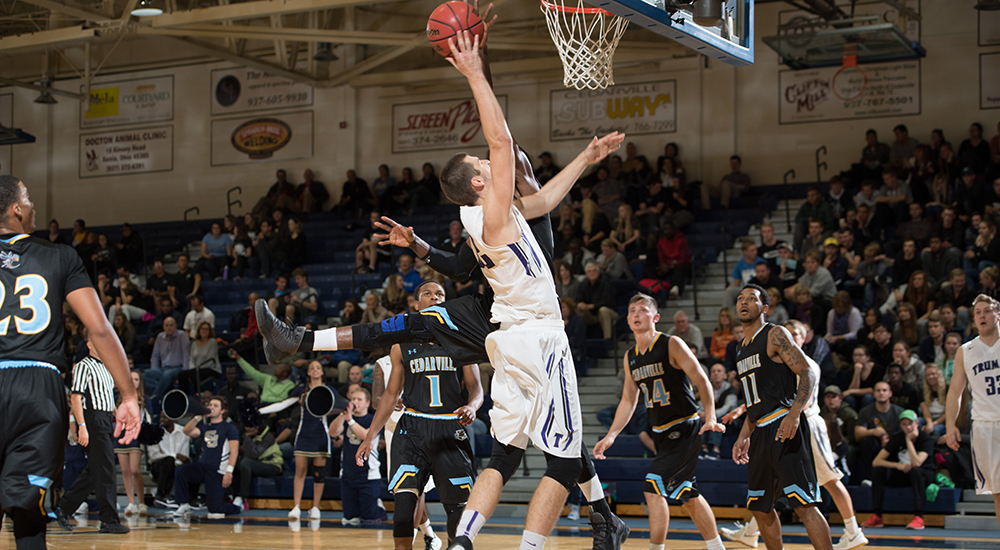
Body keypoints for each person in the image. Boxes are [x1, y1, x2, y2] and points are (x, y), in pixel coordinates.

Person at [0, 176, 141, 549]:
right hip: (36, 387)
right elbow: (100, 330)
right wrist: (128, 395)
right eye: (28, 197)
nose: (33, 204)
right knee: (29, 519)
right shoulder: (59, 255)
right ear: (16, 209)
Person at [356, 280, 483, 549]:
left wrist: (472, 407)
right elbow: (390, 395)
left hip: (449, 430)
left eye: (440, 294)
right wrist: (370, 436)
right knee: (404, 511)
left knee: (457, 513)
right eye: (428, 293)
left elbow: (477, 389)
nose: (434, 297)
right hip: (412, 430)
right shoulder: (401, 344)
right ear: (417, 304)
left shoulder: (462, 339)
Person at [594, 293, 727, 550]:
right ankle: (717, 547)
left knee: (652, 487)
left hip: (684, 426)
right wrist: (611, 435)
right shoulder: (630, 357)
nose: (636, 314)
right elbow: (628, 400)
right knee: (687, 495)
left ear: (655, 317)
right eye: (632, 310)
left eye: (642, 310)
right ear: (627, 319)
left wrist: (710, 416)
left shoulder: (671, 344)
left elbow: (702, 380)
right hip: (661, 433)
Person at [723, 320, 868, 550]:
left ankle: (853, 530)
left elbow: (801, 398)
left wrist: (790, 414)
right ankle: (751, 531)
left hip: (804, 423)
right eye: (788, 332)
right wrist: (745, 410)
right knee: (765, 494)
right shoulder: (775, 361)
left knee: (828, 480)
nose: (790, 336)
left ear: (803, 337)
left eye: (795, 333)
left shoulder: (807, 364)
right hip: (777, 425)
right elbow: (766, 396)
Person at [729, 284, 833, 550]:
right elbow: (754, 399)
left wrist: (795, 413)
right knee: (759, 506)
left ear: (764, 307)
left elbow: (807, 371)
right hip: (760, 430)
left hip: (784, 424)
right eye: (740, 298)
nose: (744, 302)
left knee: (804, 504)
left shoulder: (775, 334)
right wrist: (743, 436)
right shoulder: (740, 348)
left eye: (751, 298)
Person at [55, 340, 131, 534]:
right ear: (89, 344)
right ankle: (108, 520)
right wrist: (81, 426)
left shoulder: (107, 367)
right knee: (106, 470)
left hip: (105, 418)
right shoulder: (83, 366)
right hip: (92, 418)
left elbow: (108, 397)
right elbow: (76, 397)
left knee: (95, 469)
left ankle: (63, 508)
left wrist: (118, 417)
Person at [946, 295, 1000, 525]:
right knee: (997, 492)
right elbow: (955, 392)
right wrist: (950, 424)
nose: (981, 316)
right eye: (977, 313)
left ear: (998, 315)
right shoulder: (966, 351)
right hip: (985, 427)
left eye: (986, 311)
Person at [861, 410, 936, 530]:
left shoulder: (926, 439)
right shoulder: (897, 437)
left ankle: (918, 517)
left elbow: (917, 463)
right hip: (902, 473)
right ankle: (877, 516)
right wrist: (897, 465)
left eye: (910, 423)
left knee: (915, 471)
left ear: (917, 423)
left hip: (923, 474)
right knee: (878, 471)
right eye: (904, 424)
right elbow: (876, 461)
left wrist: (908, 441)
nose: (908, 427)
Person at [171, 396, 241, 518]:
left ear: (222, 411)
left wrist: (229, 471)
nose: (211, 408)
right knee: (181, 471)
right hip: (203, 467)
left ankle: (237, 507)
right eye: (210, 405)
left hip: (217, 470)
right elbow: (187, 431)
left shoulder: (229, 428)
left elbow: (234, 451)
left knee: (215, 509)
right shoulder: (205, 427)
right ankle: (183, 504)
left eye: (215, 406)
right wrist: (198, 416)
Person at [287, 361, 340, 520]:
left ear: (322, 371)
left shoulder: (329, 390)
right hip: (304, 434)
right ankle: (296, 507)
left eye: (318, 367)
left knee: (318, 473)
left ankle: (316, 508)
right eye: (312, 368)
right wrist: (262, 410)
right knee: (300, 471)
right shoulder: (301, 390)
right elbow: (284, 403)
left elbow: (342, 406)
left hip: (321, 435)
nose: (315, 370)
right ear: (308, 372)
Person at [329, 388, 385, 525]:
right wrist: (343, 414)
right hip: (348, 473)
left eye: (359, 399)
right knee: (350, 518)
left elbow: (366, 436)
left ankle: (379, 507)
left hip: (368, 475)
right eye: (353, 399)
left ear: (367, 403)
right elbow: (332, 432)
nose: (355, 402)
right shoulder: (347, 418)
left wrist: (350, 420)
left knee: (369, 518)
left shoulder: (373, 419)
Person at [234, 400, 284, 512]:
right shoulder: (247, 434)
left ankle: (243, 498)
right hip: (257, 463)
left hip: (272, 465)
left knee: (246, 462)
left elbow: (254, 454)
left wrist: (247, 438)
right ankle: (229, 496)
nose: (248, 430)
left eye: (251, 428)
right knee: (233, 462)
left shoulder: (268, 437)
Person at [114, 370, 152, 517]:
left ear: (140, 382)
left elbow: (149, 419)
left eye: (136, 379)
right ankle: (131, 503)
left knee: (135, 469)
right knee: (124, 471)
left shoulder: (145, 399)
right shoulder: (118, 398)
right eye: (131, 379)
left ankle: (141, 502)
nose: (133, 382)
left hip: (137, 436)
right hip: (121, 435)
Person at [854, 382, 904, 482]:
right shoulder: (866, 411)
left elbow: (905, 434)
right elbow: (857, 434)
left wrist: (891, 442)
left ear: (890, 393)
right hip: (875, 447)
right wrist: (872, 431)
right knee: (867, 441)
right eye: (878, 390)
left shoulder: (899, 412)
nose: (881, 393)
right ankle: (870, 479)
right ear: (874, 394)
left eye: (884, 390)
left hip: (894, 447)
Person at [148, 411, 191, 509]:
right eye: (161, 417)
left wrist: (174, 461)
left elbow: (185, 457)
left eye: (165, 417)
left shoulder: (183, 432)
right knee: (168, 461)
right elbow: (153, 456)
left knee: (177, 467)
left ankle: (169, 497)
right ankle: (160, 494)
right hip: (158, 466)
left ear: (172, 419)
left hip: (177, 466)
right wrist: (174, 455)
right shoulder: (155, 432)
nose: (161, 420)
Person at [145, 317, 191, 398]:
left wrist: (184, 373)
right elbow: (155, 356)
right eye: (167, 325)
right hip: (163, 369)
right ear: (163, 327)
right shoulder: (160, 336)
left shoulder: (182, 335)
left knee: (166, 375)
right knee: (145, 374)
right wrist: (154, 370)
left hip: (178, 368)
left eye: (171, 325)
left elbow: (186, 354)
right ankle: (161, 390)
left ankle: (155, 397)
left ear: (175, 326)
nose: (169, 327)